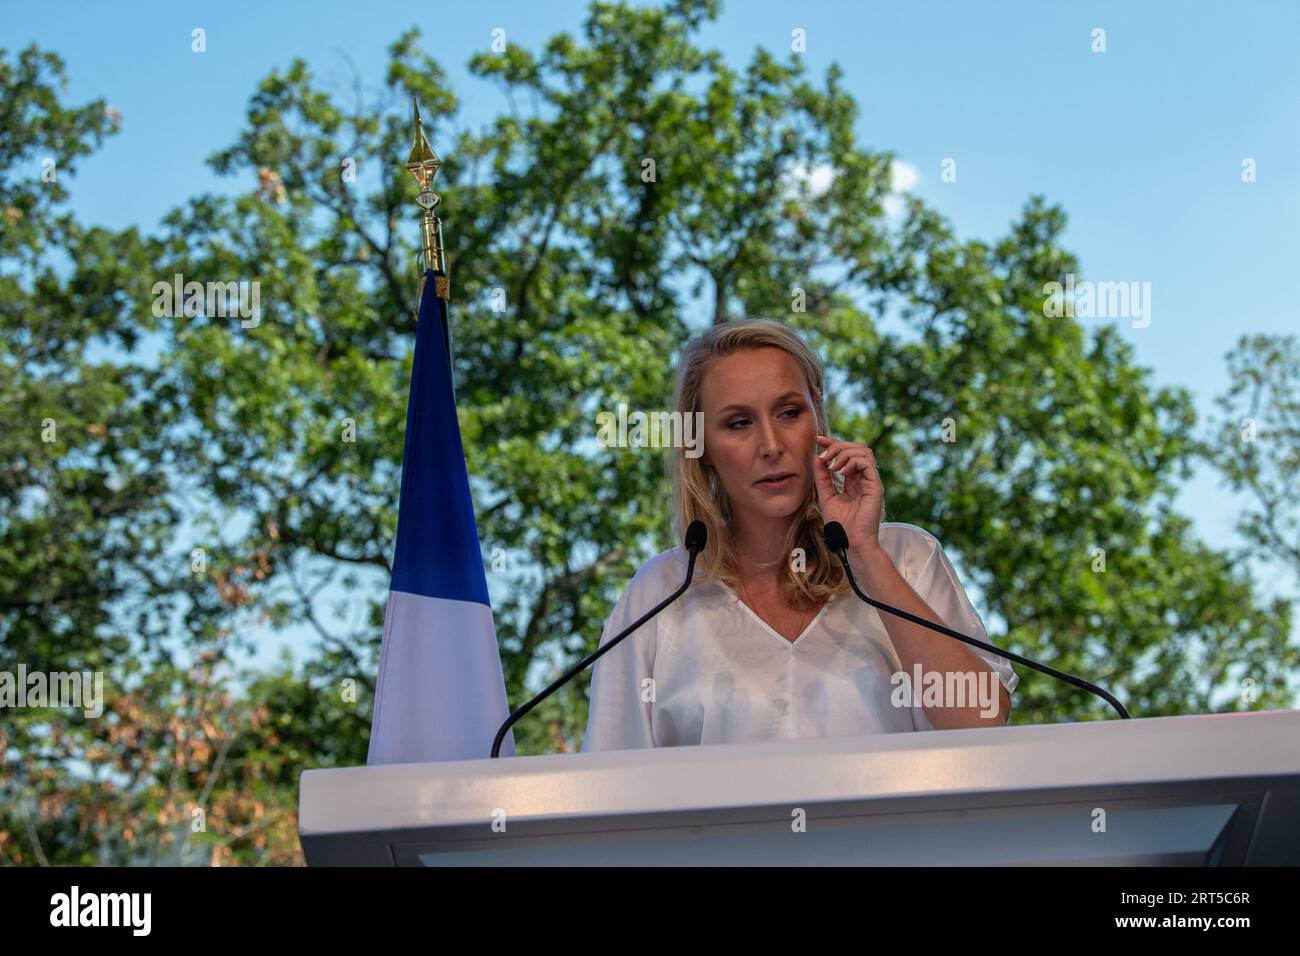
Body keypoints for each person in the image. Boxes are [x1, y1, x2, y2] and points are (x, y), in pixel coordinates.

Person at [581, 318, 1017, 752]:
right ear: (702, 448)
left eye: (789, 412)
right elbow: (607, 782)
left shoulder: (905, 556)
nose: (771, 445)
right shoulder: (660, 593)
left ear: (818, 420)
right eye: (738, 423)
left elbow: (981, 723)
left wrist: (864, 553)